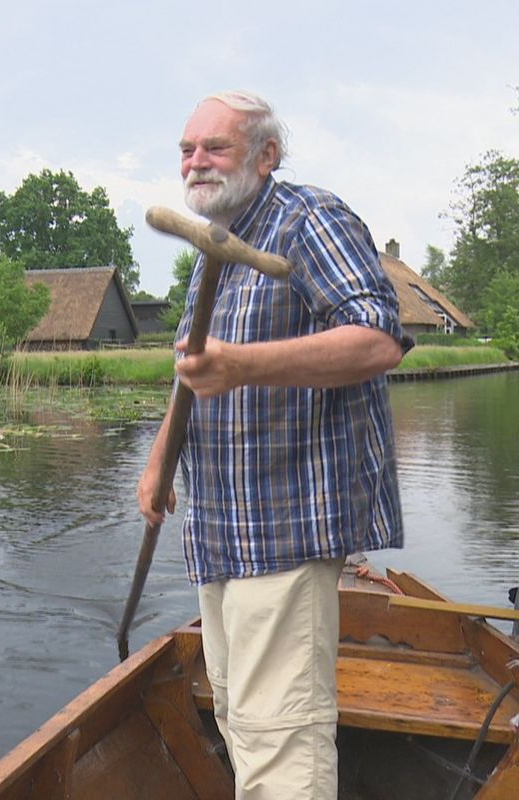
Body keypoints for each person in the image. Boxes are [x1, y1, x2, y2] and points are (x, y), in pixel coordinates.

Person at [137, 91, 408, 799]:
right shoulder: (215, 245)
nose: (196, 162)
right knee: (237, 717)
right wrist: (161, 456)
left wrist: (244, 365)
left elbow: (379, 339)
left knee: (282, 741)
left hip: (287, 524)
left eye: (215, 147)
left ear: (267, 155)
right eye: (187, 150)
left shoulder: (309, 219)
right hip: (219, 528)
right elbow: (194, 369)